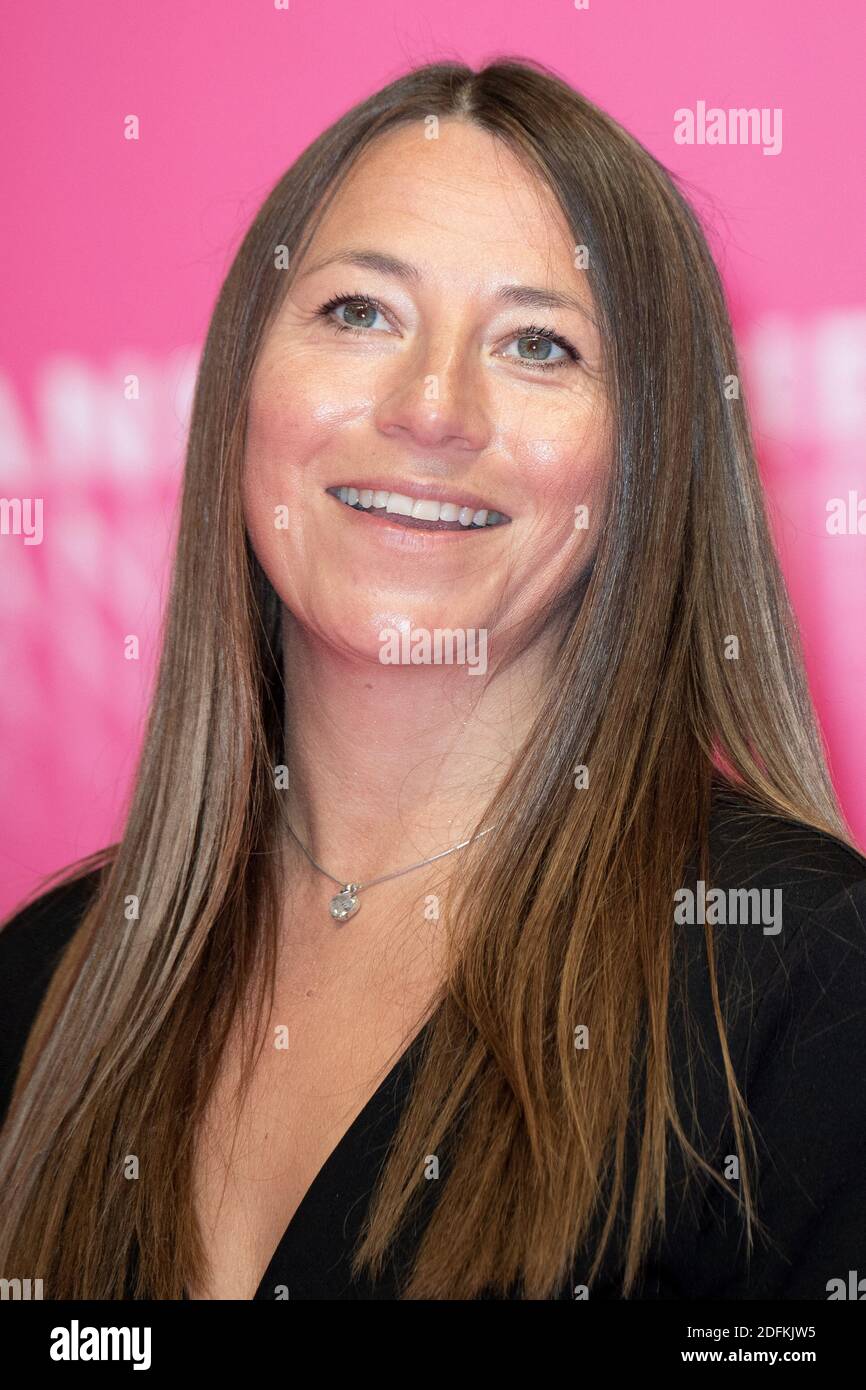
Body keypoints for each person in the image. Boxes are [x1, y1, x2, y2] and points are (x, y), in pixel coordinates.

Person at [1, 58, 864, 1302]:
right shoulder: (42, 983)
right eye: (359, 313)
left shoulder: (799, 986)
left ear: (645, 459)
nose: (430, 407)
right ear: (244, 382)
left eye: (536, 344)